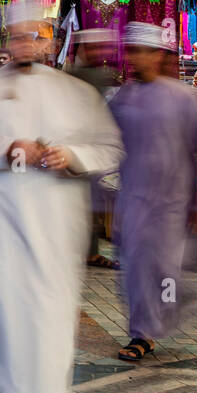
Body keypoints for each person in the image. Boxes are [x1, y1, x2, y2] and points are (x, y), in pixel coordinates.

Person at [0, 0, 124, 393]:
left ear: (49, 41)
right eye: (17, 35)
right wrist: (8, 149)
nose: (25, 44)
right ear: (7, 40)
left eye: (34, 36)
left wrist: (71, 155)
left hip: (52, 225)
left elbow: (109, 147)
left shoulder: (76, 93)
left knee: (47, 306)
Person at [111, 23, 197, 362]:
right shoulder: (122, 100)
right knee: (136, 268)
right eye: (132, 52)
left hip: (173, 202)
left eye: (144, 51)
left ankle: (165, 314)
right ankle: (141, 334)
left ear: (158, 55)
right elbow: (109, 150)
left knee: (165, 270)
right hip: (133, 200)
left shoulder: (184, 98)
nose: (137, 58)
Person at [68, 28, 123, 269]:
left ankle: (89, 251)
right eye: (95, 47)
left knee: (91, 204)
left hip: (96, 149)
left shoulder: (106, 76)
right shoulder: (72, 77)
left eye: (103, 47)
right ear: (84, 50)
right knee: (81, 204)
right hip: (76, 149)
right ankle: (84, 252)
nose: (100, 52)